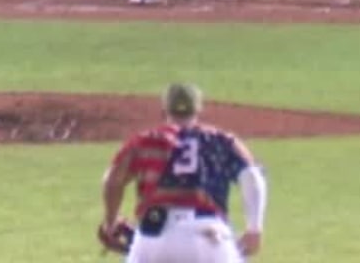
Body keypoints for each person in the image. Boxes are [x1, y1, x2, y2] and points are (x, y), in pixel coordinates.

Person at [99, 83, 266, 263]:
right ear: (198, 109)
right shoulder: (221, 140)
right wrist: (254, 229)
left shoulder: (145, 140)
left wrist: (110, 221)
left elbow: (113, 180)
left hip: (154, 237)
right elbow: (252, 176)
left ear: (164, 109)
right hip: (208, 236)